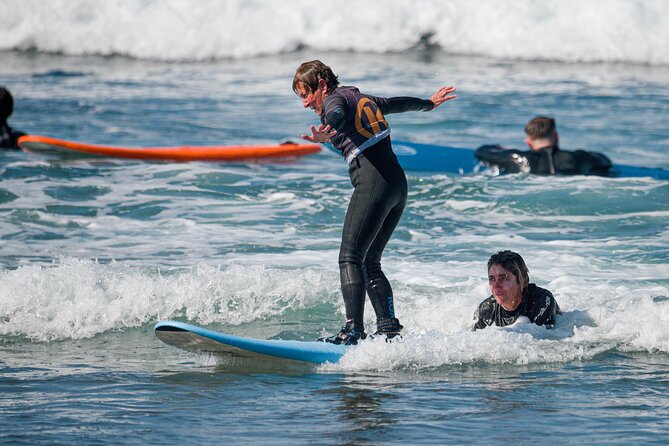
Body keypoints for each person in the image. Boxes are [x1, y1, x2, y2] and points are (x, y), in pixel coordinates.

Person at [293, 60, 456, 345]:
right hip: (396, 184)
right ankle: (388, 327)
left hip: (374, 181)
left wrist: (326, 130)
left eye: (306, 94)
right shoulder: (360, 97)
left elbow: (336, 114)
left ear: (321, 84)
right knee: (370, 260)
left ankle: (352, 330)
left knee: (349, 257)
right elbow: (396, 103)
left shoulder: (335, 101)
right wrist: (428, 104)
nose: (306, 103)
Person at [474, 116, 612, 175]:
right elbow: (605, 161)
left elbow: (481, 151)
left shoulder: (517, 157)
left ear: (528, 141)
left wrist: (499, 148)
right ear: (556, 136)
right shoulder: (578, 157)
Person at [474, 250, 560, 330]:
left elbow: (544, 339)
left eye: (503, 278)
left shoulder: (542, 300)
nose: (496, 286)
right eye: (492, 279)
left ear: (520, 280)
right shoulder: (487, 309)